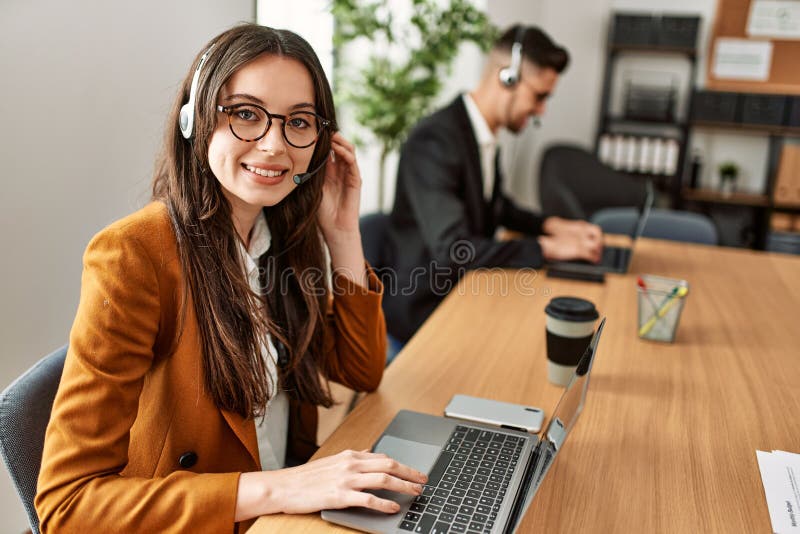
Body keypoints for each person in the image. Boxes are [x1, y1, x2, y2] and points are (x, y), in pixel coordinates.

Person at [34, 24, 427, 532]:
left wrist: (344, 235)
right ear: (194, 119)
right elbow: (67, 506)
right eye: (245, 114)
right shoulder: (133, 255)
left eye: (299, 122)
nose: (274, 145)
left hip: (287, 513)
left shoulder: (283, 234)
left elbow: (362, 372)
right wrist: (280, 486)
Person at [384, 24, 604, 343]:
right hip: (426, 310)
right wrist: (547, 248)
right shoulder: (434, 141)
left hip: (465, 293)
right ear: (507, 77)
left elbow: (496, 206)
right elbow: (453, 251)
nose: (541, 110)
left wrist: (552, 226)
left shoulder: (478, 135)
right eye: (539, 96)